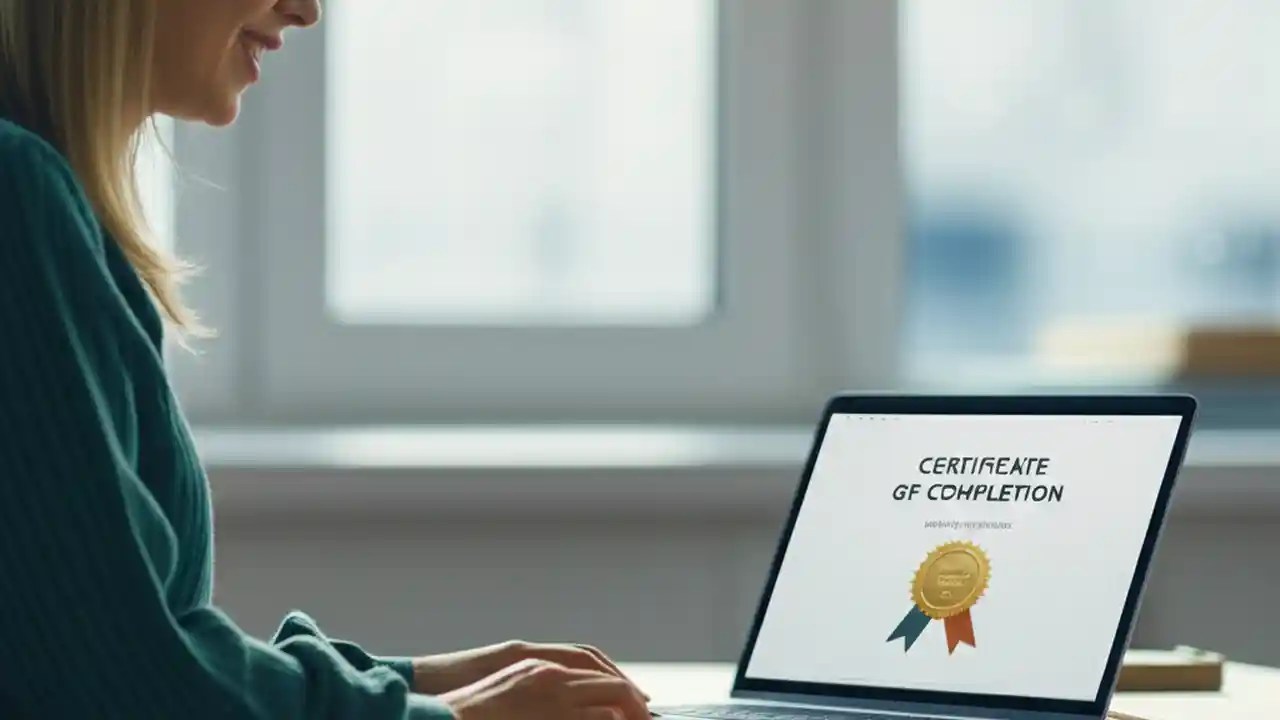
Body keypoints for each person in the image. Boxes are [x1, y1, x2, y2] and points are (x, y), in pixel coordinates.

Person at [0, 1, 651, 718]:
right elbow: (132, 686)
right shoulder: (14, 193)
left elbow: (106, 651)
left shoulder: (38, 192)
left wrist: (406, 682)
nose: (305, 10)